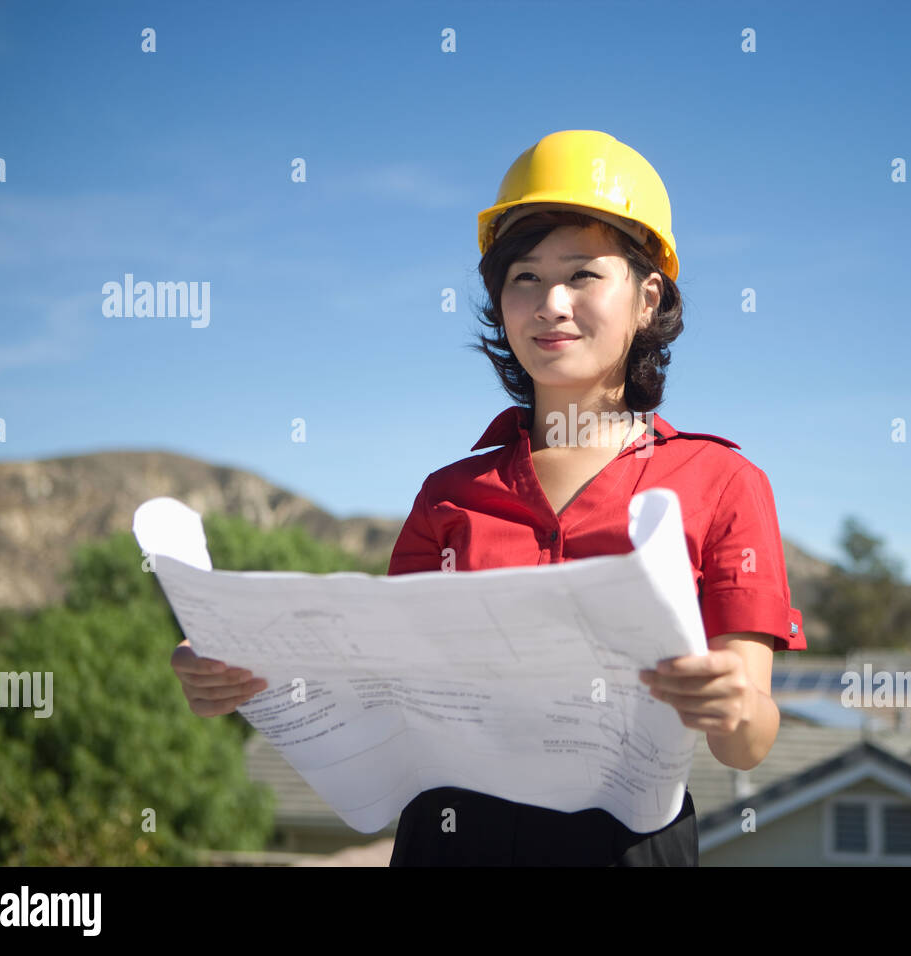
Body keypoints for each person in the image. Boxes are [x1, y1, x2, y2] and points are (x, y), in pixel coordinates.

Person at [171, 129, 806, 866]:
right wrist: (246, 667)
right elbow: (379, 692)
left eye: (583, 275)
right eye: (524, 278)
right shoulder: (448, 496)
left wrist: (734, 706)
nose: (550, 304)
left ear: (647, 298)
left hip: (627, 844)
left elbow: (748, 741)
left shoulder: (725, 483)